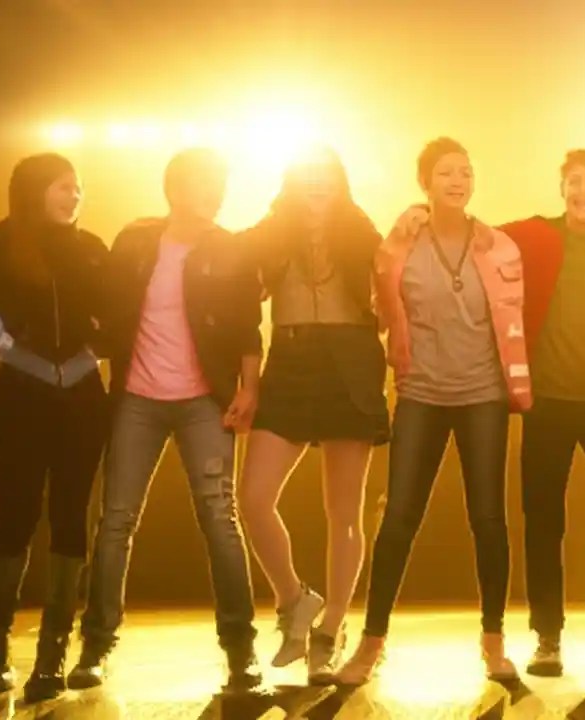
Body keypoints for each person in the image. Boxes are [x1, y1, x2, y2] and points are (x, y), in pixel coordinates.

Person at [390, 149, 585, 679]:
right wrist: (418, 210)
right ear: (561, 187)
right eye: (573, 182)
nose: (582, 192)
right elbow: (463, 223)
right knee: (543, 524)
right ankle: (547, 636)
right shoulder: (534, 235)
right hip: (546, 403)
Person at [68, 148, 263, 692]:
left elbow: (249, 326)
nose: (215, 192)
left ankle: (240, 652)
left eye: (221, 182)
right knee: (115, 522)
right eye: (206, 183)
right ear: (175, 189)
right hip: (137, 399)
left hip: (205, 399)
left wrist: (249, 389)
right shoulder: (135, 242)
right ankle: (96, 647)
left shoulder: (229, 249)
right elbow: (103, 303)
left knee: (220, 520)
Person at [335, 138, 528, 685]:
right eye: (446, 172)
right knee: (398, 518)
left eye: (466, 172)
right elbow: (374, 307)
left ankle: (493, 643)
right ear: (425, 182)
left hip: (484, 393)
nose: (458, 180)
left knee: (488, 518)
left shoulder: (498, 246)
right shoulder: (398, 248)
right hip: (420, 391)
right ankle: (371, 645)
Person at [238, 149, 388, 684]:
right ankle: (294, 600)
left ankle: (331, 630)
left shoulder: (362, 232)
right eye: (310, 176)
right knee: (252, 498)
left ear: (341, 184)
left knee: (343, 513)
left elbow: (397, 273)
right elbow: (228, 258)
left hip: (351, 361)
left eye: (329, 177)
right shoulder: (271, 233)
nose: (319, 185)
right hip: (291, 360)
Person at [0, 153, 109, 702]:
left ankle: (52, 656)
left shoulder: (93, 249)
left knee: (72, 517)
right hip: (22, 398)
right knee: (15, 517)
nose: (73, 196)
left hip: (81, 397)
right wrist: (9, 349)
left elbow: (121, 312)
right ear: (32, 190)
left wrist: (92, 352)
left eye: (78, 187)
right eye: (62, 187)